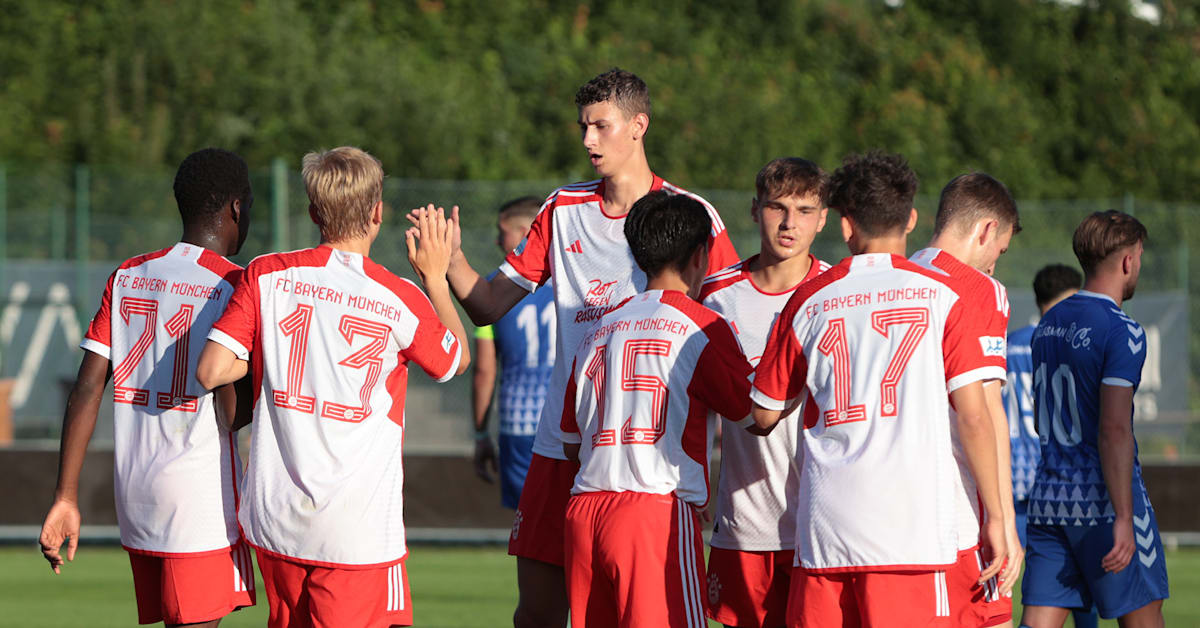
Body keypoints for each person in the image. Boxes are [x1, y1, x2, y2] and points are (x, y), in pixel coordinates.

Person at [410, 68, 739, 627]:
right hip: (561, 444)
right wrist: (445, 270)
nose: (589, 140)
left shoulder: (693, 217)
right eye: (583, 127)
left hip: (648, 462)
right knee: (537, 614)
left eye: (601, 126)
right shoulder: (563, 209)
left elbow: (726, 331)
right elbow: (489, 305)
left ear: (639, 126)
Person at [195, 146, 470, 628]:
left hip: (276, 518)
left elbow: (213, 370)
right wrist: (436, 278)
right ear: (377, 212)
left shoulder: (267, 273)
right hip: (355, 529)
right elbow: (455, 361)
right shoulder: (398, 297)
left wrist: (280, 356)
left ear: (313, 212)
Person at [750, 152, 1008, 627]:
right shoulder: (944, 295)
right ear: (911, 218)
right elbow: (974, 417)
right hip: (911, 536)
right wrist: (997, 516)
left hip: (827, 532)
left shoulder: (807, 298)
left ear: (845, 226)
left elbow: (764, 414)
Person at [39, 148, 256, 627]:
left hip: (136, 495)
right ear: (237, 208)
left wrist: (66, 496)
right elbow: (232, 416)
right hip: (196, 498)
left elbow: (87, 387)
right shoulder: (236, 285)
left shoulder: (129, 274)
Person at [559, 190, 757, 627]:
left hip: (584, 510)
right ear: (701, 256)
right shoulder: (702, 324)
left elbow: (572, 442)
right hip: (652, 514)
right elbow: (753, 413)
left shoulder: (599, 329)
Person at [1020, 211, 1168, 628]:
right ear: (1127, 261)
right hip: (1103, 504)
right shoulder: (1122, 330)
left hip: (1049, 501)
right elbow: (1114, 429)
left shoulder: (1047, 325)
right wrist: (1124, 517)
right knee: (1143, 616)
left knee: (1037, 622)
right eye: (1138, 256)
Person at [699, 157, 830, 628]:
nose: (790, 222)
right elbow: (693, 401)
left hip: (825, 521)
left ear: (824, 218)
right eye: (777, 207)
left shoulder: (837, 293)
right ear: (755, 210)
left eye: (804, 209)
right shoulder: (714, 296)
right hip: (745, 525)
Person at [909, 172, 1023, 626]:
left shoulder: (897, 272)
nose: (996, 263)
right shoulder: (981, 290)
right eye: (1001, 249)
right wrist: (1005, 520)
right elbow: (987, 413)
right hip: (957, 510)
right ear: (987, 230)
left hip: (884, 508)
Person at [1005, 264, 1098, 628]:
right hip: (1057, 481)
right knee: (1076, 585)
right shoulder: (1064, 346)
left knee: (1012, 589)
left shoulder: (1008, 345)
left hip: (1008, 483)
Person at [470, 197, 556, 508]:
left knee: (529, 525)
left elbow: (485, 372)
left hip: (519, 424)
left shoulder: (489, 289)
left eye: (502, 231)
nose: (497, 239)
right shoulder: (573, 283)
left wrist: (480, 435)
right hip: (567, 423)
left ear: (524, 233)